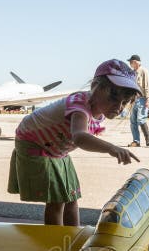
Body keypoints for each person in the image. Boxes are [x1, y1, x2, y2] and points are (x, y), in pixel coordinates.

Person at [8, 59, 140, 226]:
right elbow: (80, 137)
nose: (119, 107)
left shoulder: (99, 113)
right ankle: (55, 242)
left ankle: (73, 235)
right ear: (95, 87)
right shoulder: (80, 105)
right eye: (113, 97)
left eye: (124, 102)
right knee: (57, 201)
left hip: (55, 148)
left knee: (71, 197)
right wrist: (111, 148)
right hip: (34, 142)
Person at [127, 54, 149, 147]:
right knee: (133, 121)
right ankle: (136, 141)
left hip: (142, 99)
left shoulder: (144, 71)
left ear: (135, 62)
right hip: (133, 100)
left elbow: (148, 86)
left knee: (141, 119)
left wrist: (148, 99)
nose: (130, 64)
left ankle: (148, 138)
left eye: (131, 62)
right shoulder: (132, 73)